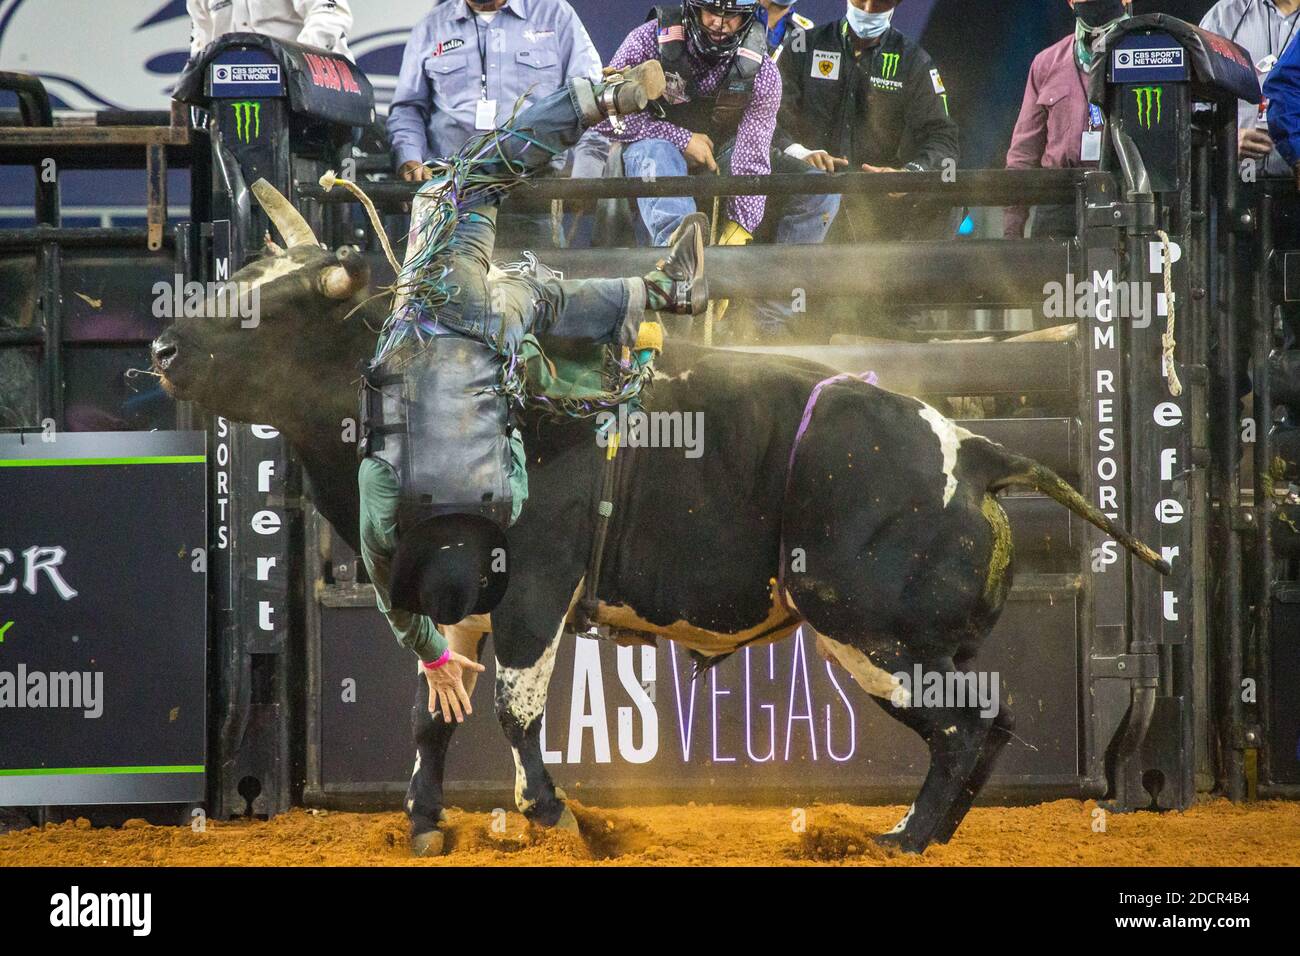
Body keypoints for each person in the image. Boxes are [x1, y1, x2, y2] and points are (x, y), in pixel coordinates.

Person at [355, 63, 711, 720]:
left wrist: (435, 655)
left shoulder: (503, 502)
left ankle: (661, 292)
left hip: (496, 337)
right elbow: (388, 590)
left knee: (529, 286)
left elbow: (515, 438)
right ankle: (598, 101)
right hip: (438, 316)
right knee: (464, 179)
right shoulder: (384, 501)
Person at [388, 0, 602, 245]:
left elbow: (589, 96)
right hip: (453, 195)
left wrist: (586, 176)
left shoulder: (554, 14)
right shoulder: (431, 26)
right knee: (451, 283)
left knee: (535, 281)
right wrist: (409, 158)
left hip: (534, 190)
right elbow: (407, 109)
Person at [595, 0, 782, 250]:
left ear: (748, 16)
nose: (719, 22)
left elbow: (752, 153)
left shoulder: (764, 72)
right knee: (658, 151)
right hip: (646, 157)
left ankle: (746, 267)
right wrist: (682, 139)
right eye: (712, 11)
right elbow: (604, 115)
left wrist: (741, 224)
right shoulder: (647, 40)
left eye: (731, 14)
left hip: (717, 158)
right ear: (693, 8)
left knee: (763, 164)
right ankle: (681, 252)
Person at [1004, 0, 1132, 239]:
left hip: (1125, 200)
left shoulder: (1149, 57)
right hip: (1057, 204)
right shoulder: (1046, 64)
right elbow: (1023, 154)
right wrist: (1013, 229)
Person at [1202, 0, 1300, 180]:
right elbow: (1195, 103)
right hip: (1235, 181)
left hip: (1294, 179)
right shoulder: (1226, 14)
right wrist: (1223, 140)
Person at [187, 0, 353, 59]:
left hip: (322, 90)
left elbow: (329, 14)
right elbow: (201, 47)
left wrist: (299, 64)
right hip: (235, 90)